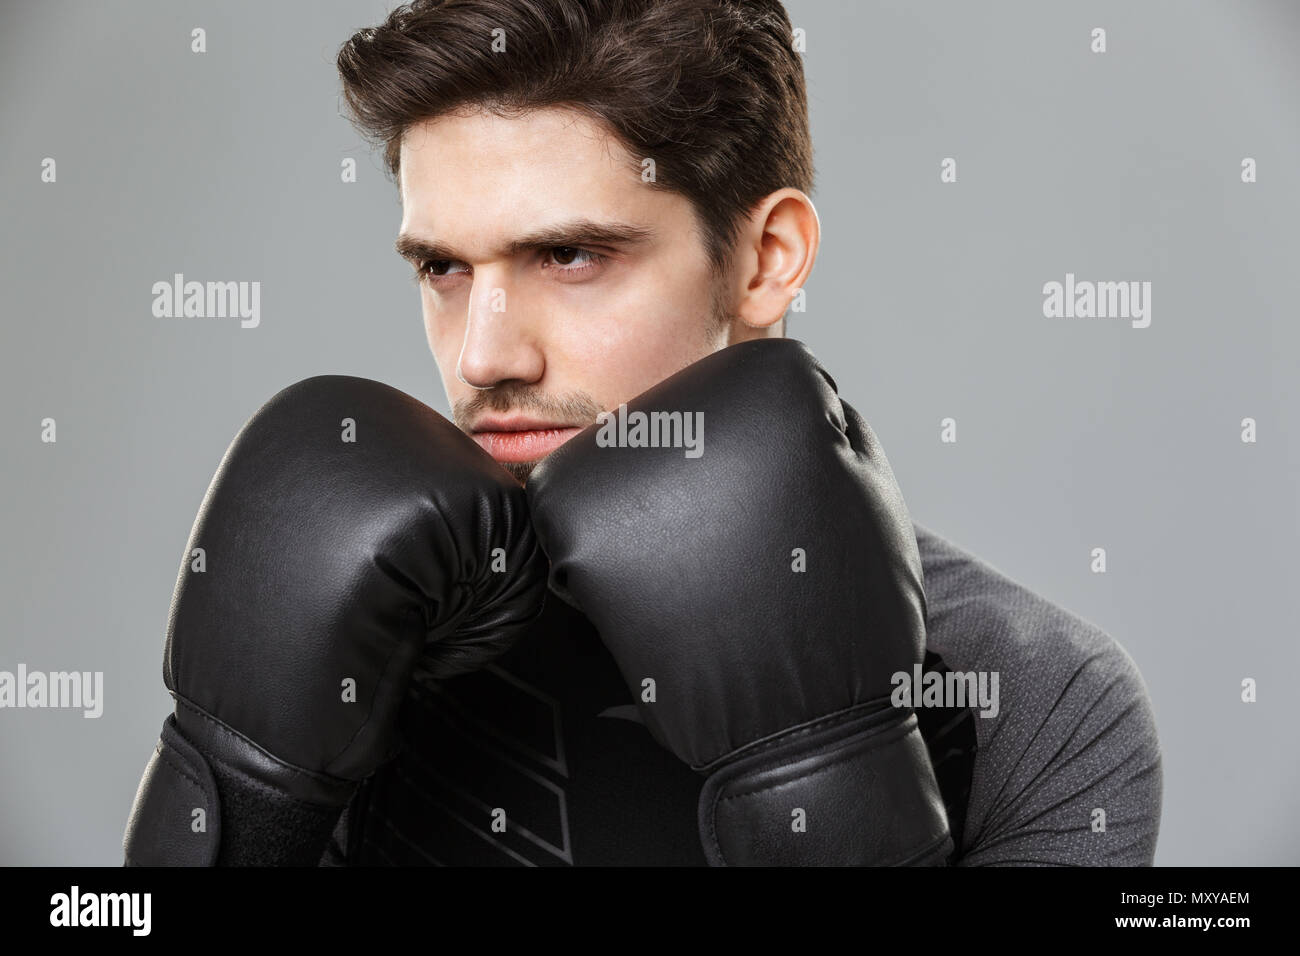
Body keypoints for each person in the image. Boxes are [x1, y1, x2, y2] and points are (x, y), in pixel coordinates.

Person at [123, 0, 1161, 867]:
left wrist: (829, 773)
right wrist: (240, 790)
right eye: (442, 268)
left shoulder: (1021, 689)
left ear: (765, 259)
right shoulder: (355, 624)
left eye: (569, 255)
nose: (484, 356)